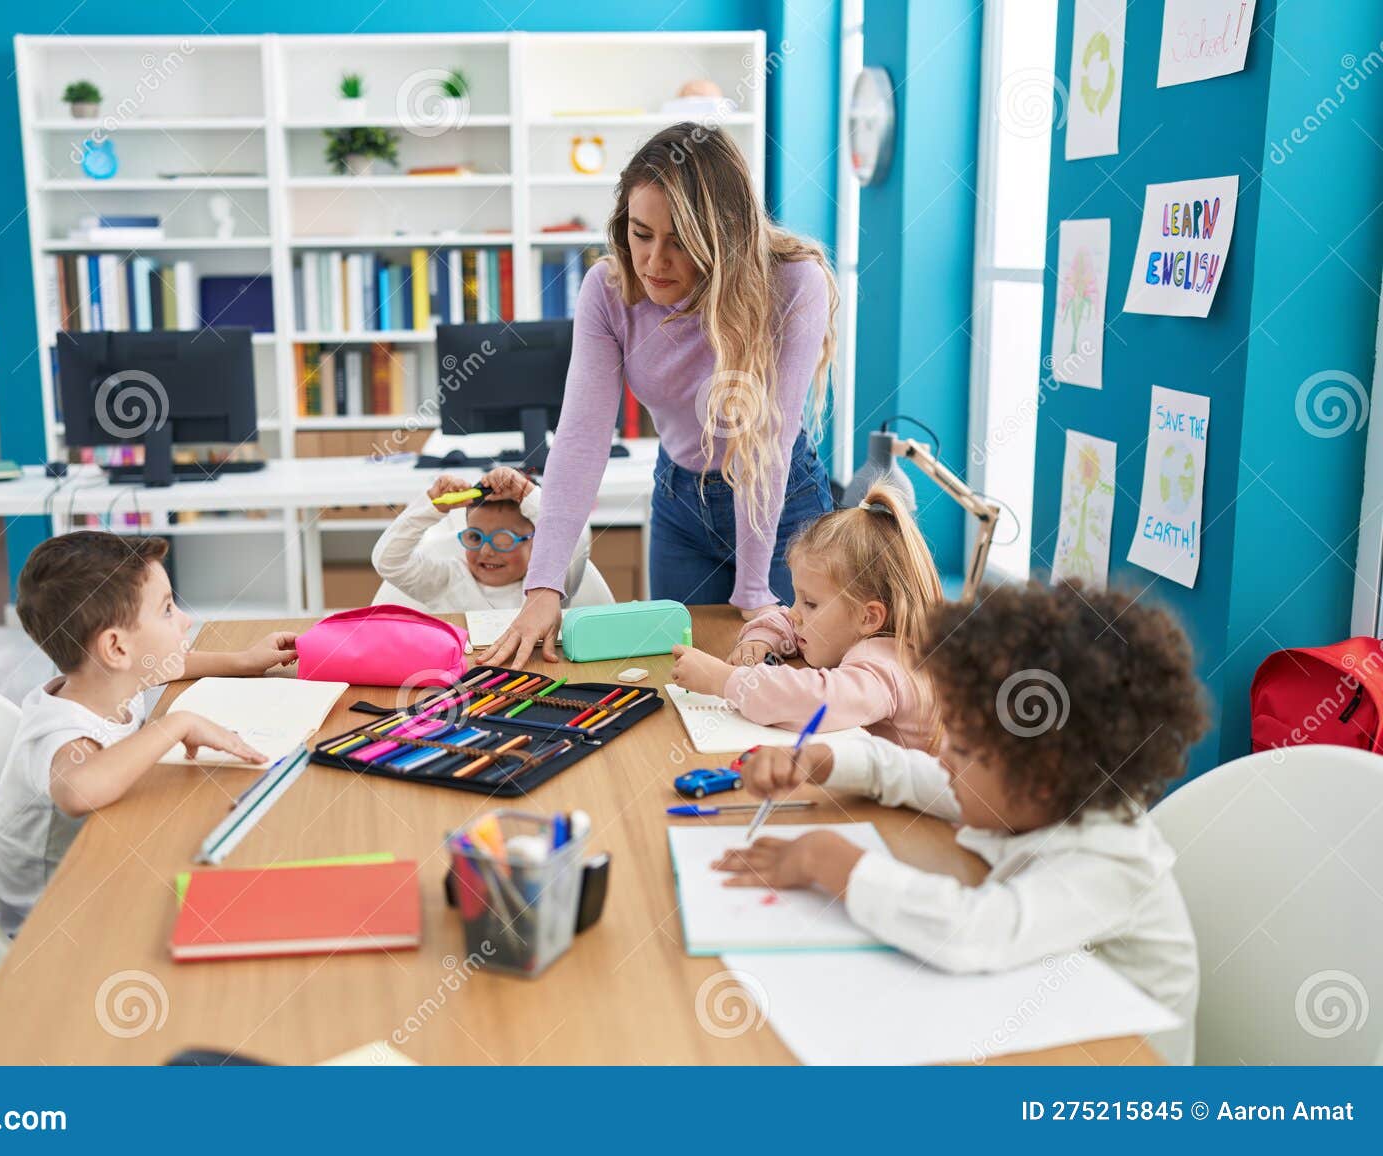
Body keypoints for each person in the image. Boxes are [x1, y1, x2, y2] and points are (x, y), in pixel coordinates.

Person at [714, 581, 1208, 1063]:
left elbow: (973, 932)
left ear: (1041, 779)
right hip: (1046, 1011)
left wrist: (831, 860)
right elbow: (931, 779)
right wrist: (823, 762)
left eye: (967, 750)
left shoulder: (1110, 860)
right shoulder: (1046, 798)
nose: (945, 756)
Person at [480, 122, 837, 667]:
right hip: (680, 506)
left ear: (724, 237)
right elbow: (581, 437)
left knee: (789, 680)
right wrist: (543, 587)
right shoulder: (608, 289)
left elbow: (767, 440)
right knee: (681, 672)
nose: (652, 262)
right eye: (641, 233)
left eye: (680, 242)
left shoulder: (791, 284)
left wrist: (753, 590)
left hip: (781, 505)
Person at [0, 531, 295, 936]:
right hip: (54, 926)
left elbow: (166, 663)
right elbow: (77, 790)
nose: (185, 619)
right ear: (116, 649)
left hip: (104, 869)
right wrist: (177, 723)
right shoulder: (62, 730)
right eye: (167, 609)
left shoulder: (107, 680)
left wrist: (243, 661)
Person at [668, 482, 943, 749]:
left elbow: (814, 702)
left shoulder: (883, 668)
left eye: (810, 603)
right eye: (797, 598)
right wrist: (763, 639)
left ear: (868, 618)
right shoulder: (871, 635)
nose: (796, 614)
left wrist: (721, 679)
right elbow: (789, 620)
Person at [370, 467, 596, 612]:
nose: (486, 550)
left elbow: (574, 539)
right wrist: (432, 506)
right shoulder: (446, 580)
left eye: (503, 539)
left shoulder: (550, 585)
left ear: (539, 540)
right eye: (475, 536)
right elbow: (388, 561)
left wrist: (524, 492)